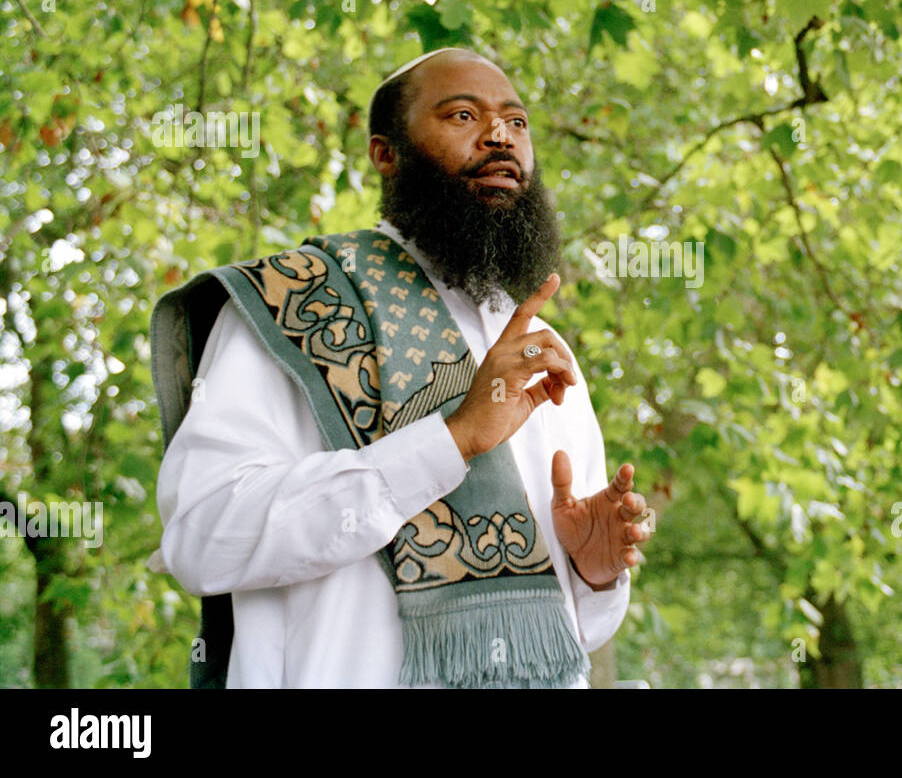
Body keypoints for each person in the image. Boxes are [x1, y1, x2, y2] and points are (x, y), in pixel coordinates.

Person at [149, 47, 652, 688]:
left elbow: (567, 637)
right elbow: (203, 539)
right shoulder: (288, 310)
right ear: (386, 153)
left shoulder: (542, 346)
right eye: (463, 115)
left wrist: (594, 571)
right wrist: (451, 440)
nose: (500, 137)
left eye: (517, 123)